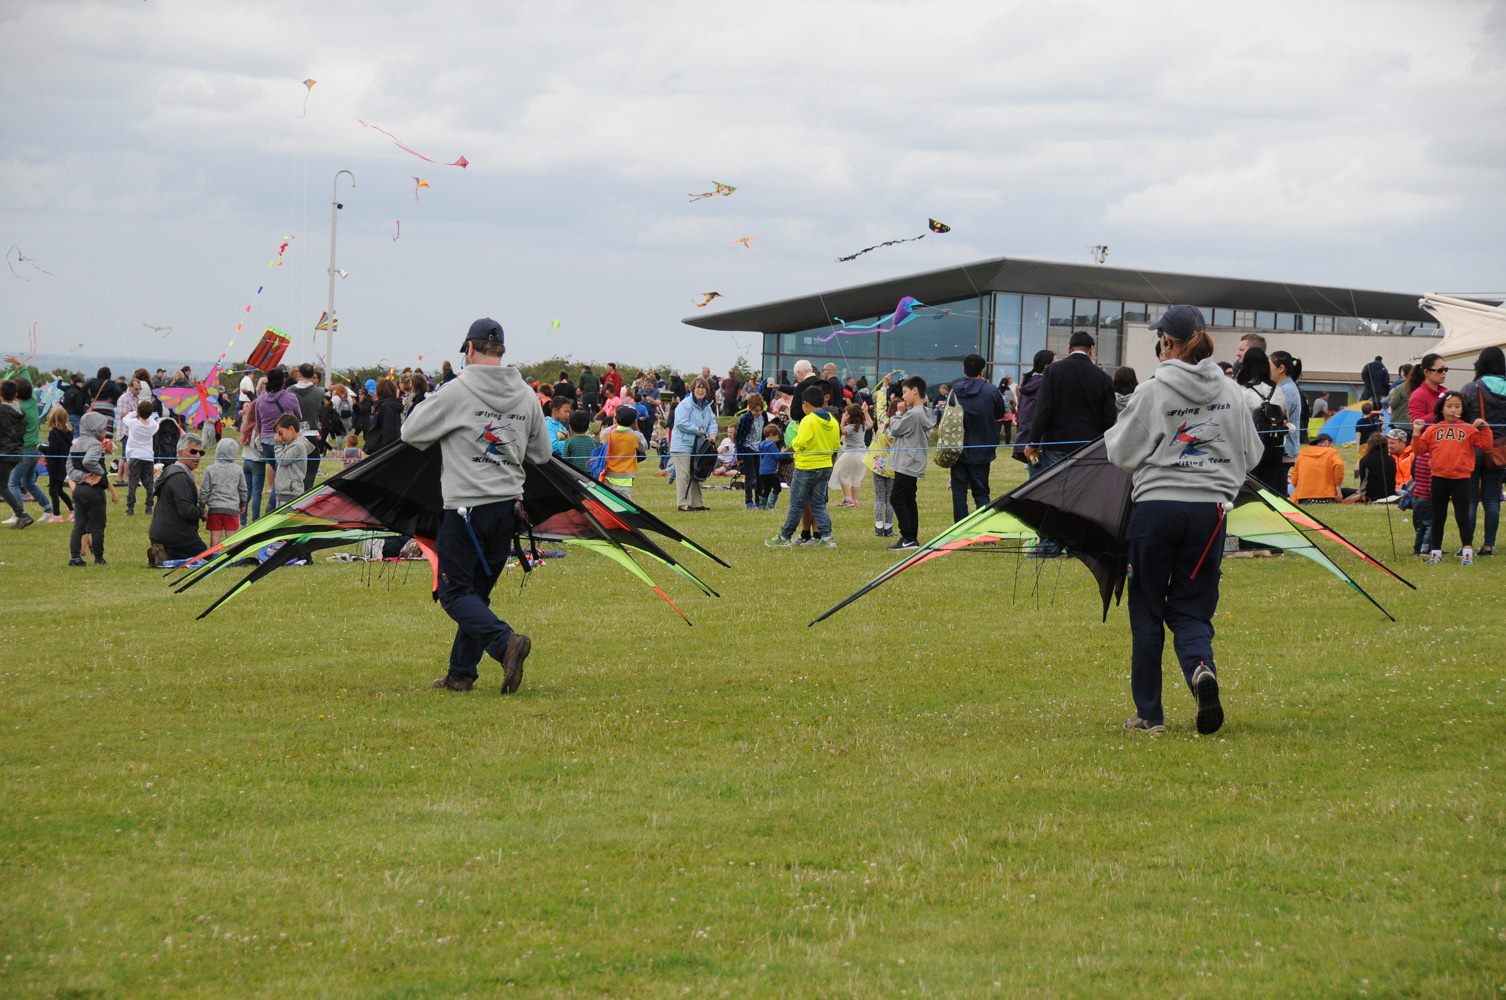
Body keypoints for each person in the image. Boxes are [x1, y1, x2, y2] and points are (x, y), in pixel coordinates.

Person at [1105, 305, 1262, 736]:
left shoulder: (1152, 391)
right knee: (1192, 608)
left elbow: (1119, 452)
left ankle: (1149, 714)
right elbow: (1253, 454)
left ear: (1168, 344)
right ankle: (1199, 668)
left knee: (1147, 609)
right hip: (1209, 515)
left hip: (1156, 510)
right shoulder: (1231, 391)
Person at [400, 317, 551, 695]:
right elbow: (542, 454)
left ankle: (505, 643)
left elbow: (410, 432)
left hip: (466, 510)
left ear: (469, 348)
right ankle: (461, 674)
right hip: (507, 511)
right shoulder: (527, 395)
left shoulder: (456, 391)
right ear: (501, 350)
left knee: (453, 593)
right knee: (476, 594)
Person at [1414, 391, 1493, 566]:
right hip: (1439, 479)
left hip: (1461, 479)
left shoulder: (1468, 429)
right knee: (1438, 517)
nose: (1453, 410)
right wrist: (1416, 432)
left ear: (1462, 409)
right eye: (1449, 406)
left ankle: (1467, 552)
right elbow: (1419, 450)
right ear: (1441, 409)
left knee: (1462, 517)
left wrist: (1485, 427)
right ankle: (1435, 553)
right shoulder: (1433, 429)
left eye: (1457, 406)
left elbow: (1486, 445)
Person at [766, 385, 839, 548]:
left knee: (797, 504)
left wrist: (789, 448)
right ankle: (827, 538)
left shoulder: (808, 420)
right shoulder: (832, 420)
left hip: (806, 467)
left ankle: (785, 536)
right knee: (818, 503)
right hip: (825, 467)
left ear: (805, 403)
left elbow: (800, 442)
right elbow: (835, 445)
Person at [947, 353, 1007, 522]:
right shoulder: (992, 390)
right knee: (981, 492)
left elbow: (949, 416)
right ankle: (983, 528)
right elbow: (1000, 413)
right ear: (982, 370)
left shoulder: (955, 390)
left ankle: (960, 529)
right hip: (982, 448)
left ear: (964, 369)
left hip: (958, 448)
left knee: (959, 492)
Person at [1458, 345, 1506, 556]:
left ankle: (1466, 545)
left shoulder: (1471, 388)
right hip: (1500, 450)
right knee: (1492, 500)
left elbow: (1459, 417)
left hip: (1473, 448)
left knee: (1470, 500)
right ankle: (1489, 545)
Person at [243, 368, 301, 522]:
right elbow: (298, 417)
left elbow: (258, 424)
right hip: (284, 439)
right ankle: (271, 510)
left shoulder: (261, 399)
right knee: (281, 476)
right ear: (283, 381)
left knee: (278, 474)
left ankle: (272, 510)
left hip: (266, 441)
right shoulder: (290, 397)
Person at [885, 376, 934, 551]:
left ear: (915, 391)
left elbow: (895, 429)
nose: (903, 396)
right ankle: (911, 537)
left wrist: (898, 413)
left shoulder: (914, 414)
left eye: (905, 392)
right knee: (908, 499)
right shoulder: (924, 412)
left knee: (897, 498)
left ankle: (907, 537)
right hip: (913, 461)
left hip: (907, 462)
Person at [147, 434, 207, 565]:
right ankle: (166, 554)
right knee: (206, 556)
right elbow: (186, 511)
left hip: (162, 532)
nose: (198, 456)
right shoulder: (179, 477)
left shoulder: (171, 470)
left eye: (201, 453)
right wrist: (202, 513)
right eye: (193, 452)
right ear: (180, 453)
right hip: (174, 533)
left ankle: (163, 551)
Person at [1235, 346, 1287, 496]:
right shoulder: (1277, 390)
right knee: (1269, 491)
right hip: (1275, 447)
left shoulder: (1242, 390)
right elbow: (1284, 416)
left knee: (1248, 490)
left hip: (1250, 446)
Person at [67, 412, 117, 563]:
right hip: (94, 491)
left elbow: (69, 469)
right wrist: (99, 473)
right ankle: (99, 558)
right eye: (103, 430)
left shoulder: (75, 445)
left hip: (79, 490)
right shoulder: (95, 444)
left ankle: (75, 557)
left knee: (79, 525)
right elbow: (88, 461)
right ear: (94, 429)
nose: (104, 433)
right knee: (97, 526)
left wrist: (82, 477)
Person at [7, 377, 54, 522]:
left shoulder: (18, 408)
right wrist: (21, 368)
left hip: (25, 450)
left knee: (12, 483)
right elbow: (28, 381)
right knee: (28, 482)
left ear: (16, 393)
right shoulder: (33, 401)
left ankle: (19, 515)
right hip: (35, 449)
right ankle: (48, 510)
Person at [671, 377, 718, 512]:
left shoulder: (707, 407)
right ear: (693, 389)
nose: (701, 390)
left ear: (707, 390)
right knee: (684, 475)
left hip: (698, 447)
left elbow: (712, 422)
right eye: (698, 387)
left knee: (696, 474)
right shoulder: (685, 404)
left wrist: (712, 433)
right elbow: (680, 422)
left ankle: (696, 503)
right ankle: (683, 504)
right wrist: (697, 430)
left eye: (703, 388)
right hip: (682, 446)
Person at [866, 377, 899, 536]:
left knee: (879, 498)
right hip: (893, 466)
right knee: (890, 499)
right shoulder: (901, 426)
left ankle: (878, 528)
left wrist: (884, 386)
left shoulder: (883, 421)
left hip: (878, 465)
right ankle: (888, 528)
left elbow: (880, 406)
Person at [200, 438, 248, 547]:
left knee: (215, 535)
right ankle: (233, 555)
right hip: (232, 508)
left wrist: (202, 506)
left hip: (215, 509)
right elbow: (243, 489)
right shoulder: (238, 469)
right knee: (232, 536)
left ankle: (214, 555)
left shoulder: (210, 469)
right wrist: (243, 503)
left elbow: (204, 490)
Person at [1012, 350, 1053, 469]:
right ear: (1046, 365)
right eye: (1055, 363)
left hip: (1027, 438)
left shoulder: (1029, 383)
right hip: (1038, 440)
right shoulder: (1044, 385)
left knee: (1035, 475)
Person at [120, 399, 161, 516]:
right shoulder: (153, 425)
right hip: (148, 457)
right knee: (149, 483)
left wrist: (135, 412)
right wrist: (146, 413)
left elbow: (125, 418)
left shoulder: (134, 423)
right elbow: (153, 420)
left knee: (132, 483)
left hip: (135, 456)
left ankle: (130, 508)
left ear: (138, 411)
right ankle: (149, 507)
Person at [0, 380, 31, 528]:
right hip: (16, 452)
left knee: (2, 486)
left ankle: (21, 515)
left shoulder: (2, 410)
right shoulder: (19, 411)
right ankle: (21, 515)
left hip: (5, 452)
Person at [270, 413, 314, 510]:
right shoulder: (290, 444)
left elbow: (282, 460)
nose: (279, 437)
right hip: (283, 493)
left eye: (280, 433)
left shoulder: (298, 446)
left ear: (291, 429)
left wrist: (277, 444)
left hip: (291, 494)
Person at [603, 406, 648, 497]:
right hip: (627, 476)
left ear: (616, 419)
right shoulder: (635, 436)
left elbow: (602, 435)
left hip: (609, 473)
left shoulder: (608, 433)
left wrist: (615, 425)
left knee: (609, 500)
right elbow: (644, 447)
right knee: (624, 502)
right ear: (634, 422)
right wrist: (637, 429)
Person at [1270, 350, 1304, 469]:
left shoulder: (1285, 390)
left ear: (1281, 369)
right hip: (1284, 452)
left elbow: (1274, 419)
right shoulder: (1286, 387)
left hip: (1283, 452)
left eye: (1269, 366)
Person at [831, 402, 870, 508]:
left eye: (846, 413)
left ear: (850, 416)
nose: (844, 414)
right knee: (855, 478)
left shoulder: (850, 427)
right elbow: (871, 423)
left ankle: (848, 499)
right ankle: (854, 500)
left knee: (842, 475)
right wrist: (866, 412)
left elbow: (841, 431)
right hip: (862, 454)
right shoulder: (862, 426)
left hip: (851, 454)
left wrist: (842, 420)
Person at [39, 405, 74, 521]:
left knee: (53, 490)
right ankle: (73, 510)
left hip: (55, 466)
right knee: (59, 490)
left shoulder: (54, 433)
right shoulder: (68, 433)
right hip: (64, 465)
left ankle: (56, 515)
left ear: (52, 418)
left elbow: (52, 451)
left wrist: (41, 447)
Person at [1288, 433, 1346, 503]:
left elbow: (1294, 480)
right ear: (1326, 443)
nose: (1333, 447)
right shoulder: (1331, 452)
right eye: (1332, 445)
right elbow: (1339, 464)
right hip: (1328, 497)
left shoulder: (1302, 454)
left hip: (1304, 499)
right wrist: (1338, 484)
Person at [734, 393, 767, 510]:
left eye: (760, 410)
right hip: (748, 448)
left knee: (760, 475)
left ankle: (759, 500)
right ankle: (749, 501)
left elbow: (765, 431)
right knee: (749, 475)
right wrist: (739, 454)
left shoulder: (764, 416)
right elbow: (739, 437)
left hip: (760, 448)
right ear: (750, 408)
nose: (758, 413)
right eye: (755, 411)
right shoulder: (745, 418)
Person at [1352, 432, 1398, 503]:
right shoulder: (1392, 460)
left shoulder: (1366, 459)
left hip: (1371, 496)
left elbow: (1363, 482)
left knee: (1344, 491)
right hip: (1390, 494)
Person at [363, 378, 403, 454]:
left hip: (383, 449)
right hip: (389, 447)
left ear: (380, 391)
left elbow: (388, 430)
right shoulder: (392, 404)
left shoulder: (386, 406)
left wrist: (385, 452)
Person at [755, 422, 788, 510]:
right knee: (777, 488)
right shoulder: (771, 445)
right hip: (770, 471)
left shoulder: (761, 445)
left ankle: (762, 506)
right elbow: (778, 457)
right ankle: (770, 505)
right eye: (777, 436)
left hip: (762, 472)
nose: (778, 439)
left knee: (766, 489)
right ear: (771, 435)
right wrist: (783, 452)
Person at [561, 410, 595, 475]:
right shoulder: (594, 441)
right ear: (588, 427)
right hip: (590, 476)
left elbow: (564, 461)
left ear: (570, 427)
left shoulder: (569, 441)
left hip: (574, 475)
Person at [1386, 363, 1414, 431]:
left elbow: (1393, 404)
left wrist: (1391, 395)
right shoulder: (1418, 386)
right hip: (1413, 423)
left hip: (1400, 422)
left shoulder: (1400, 387)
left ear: (1403, 373)